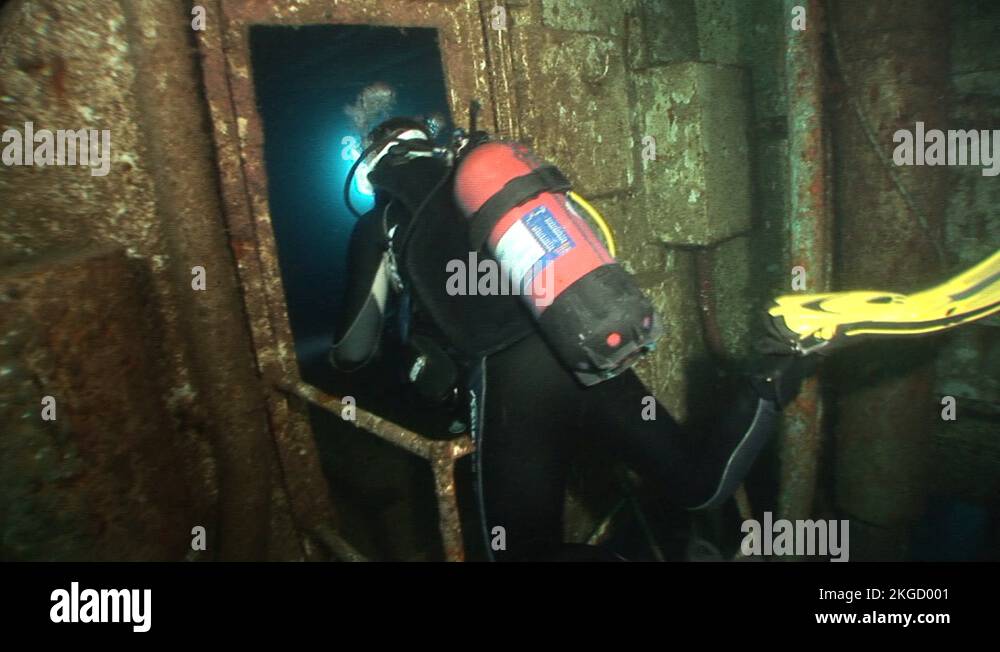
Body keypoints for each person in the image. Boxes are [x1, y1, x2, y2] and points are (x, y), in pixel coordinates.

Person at [331, 117, 810, 561]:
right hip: (581, 339)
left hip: (511, 379)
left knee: (518, 554)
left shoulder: (381, 222)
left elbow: (354, 350)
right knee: (698, 483)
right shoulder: (472, 185)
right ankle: (779, 363)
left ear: (373, 165)